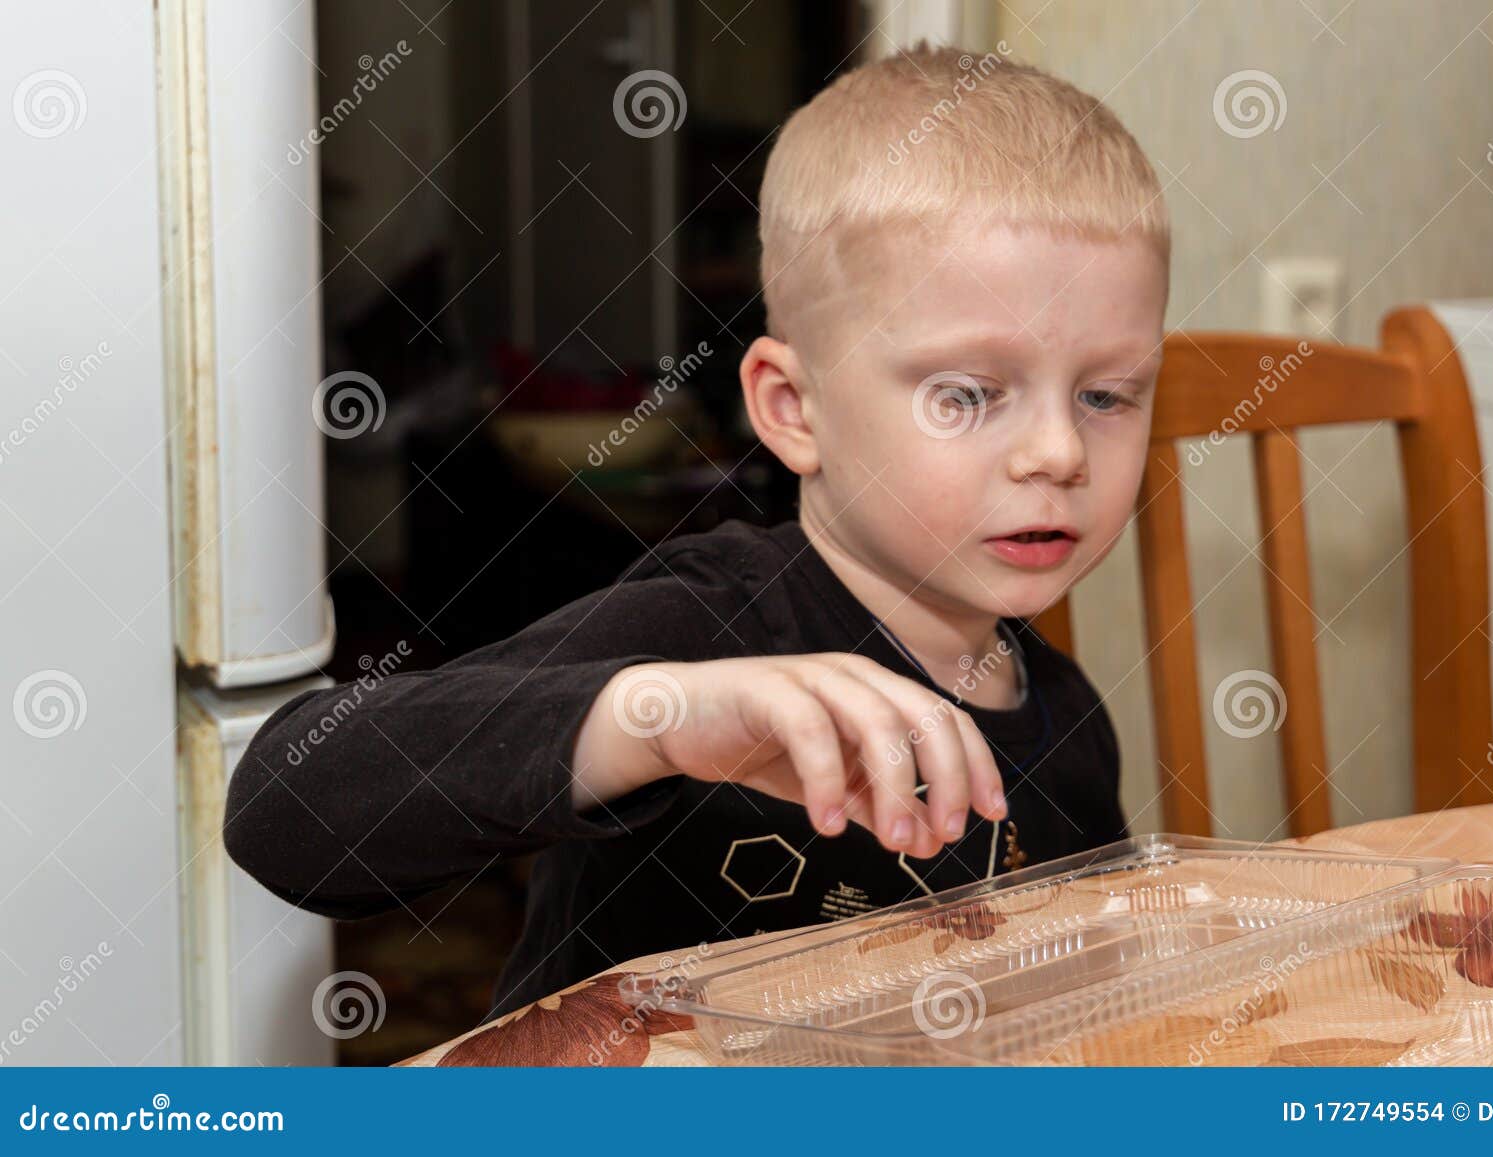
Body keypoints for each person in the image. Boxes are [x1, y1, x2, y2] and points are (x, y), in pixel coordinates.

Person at [224, 41, 1171, 1020]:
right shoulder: (707, 627)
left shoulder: (1066, 716)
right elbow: (288, 806)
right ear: (793, 409)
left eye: (1105, 393)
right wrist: (657, 718)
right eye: (969, 394)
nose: (1058, 451)